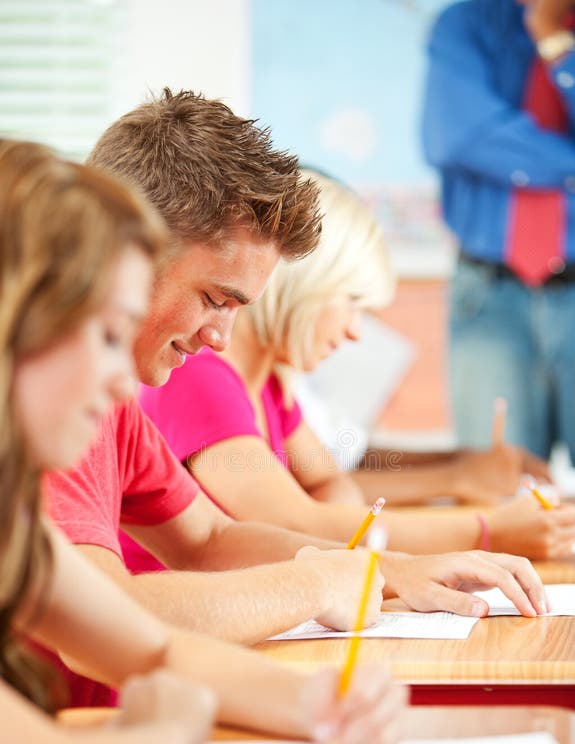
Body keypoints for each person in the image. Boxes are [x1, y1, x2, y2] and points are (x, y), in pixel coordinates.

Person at [45, 89, 547, 675]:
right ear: (129, 252)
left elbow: (209, 541)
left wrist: (390, 570)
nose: (221, 339)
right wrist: (313, 585)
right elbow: (98, 621)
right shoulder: (55, 397)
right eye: (214, 299)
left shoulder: (116, 404)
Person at [0, 138, 407, 744]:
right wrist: (175, 722)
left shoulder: (18, 534)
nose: (123, 385)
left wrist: (320, 703)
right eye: (104, 336)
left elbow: (152, 649)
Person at [131, 169, 575, 567]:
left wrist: (331, 516)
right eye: (351, 302)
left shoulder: (269, 385)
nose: (354, 331)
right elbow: (297, 522)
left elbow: (331, 482)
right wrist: (487, 531)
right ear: (304, 285)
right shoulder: (199, 376)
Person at [422, 0, 575, 465]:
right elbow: (459, 138)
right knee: (492, 477)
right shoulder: (466, 22)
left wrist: (553, 38)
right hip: (489, 293)